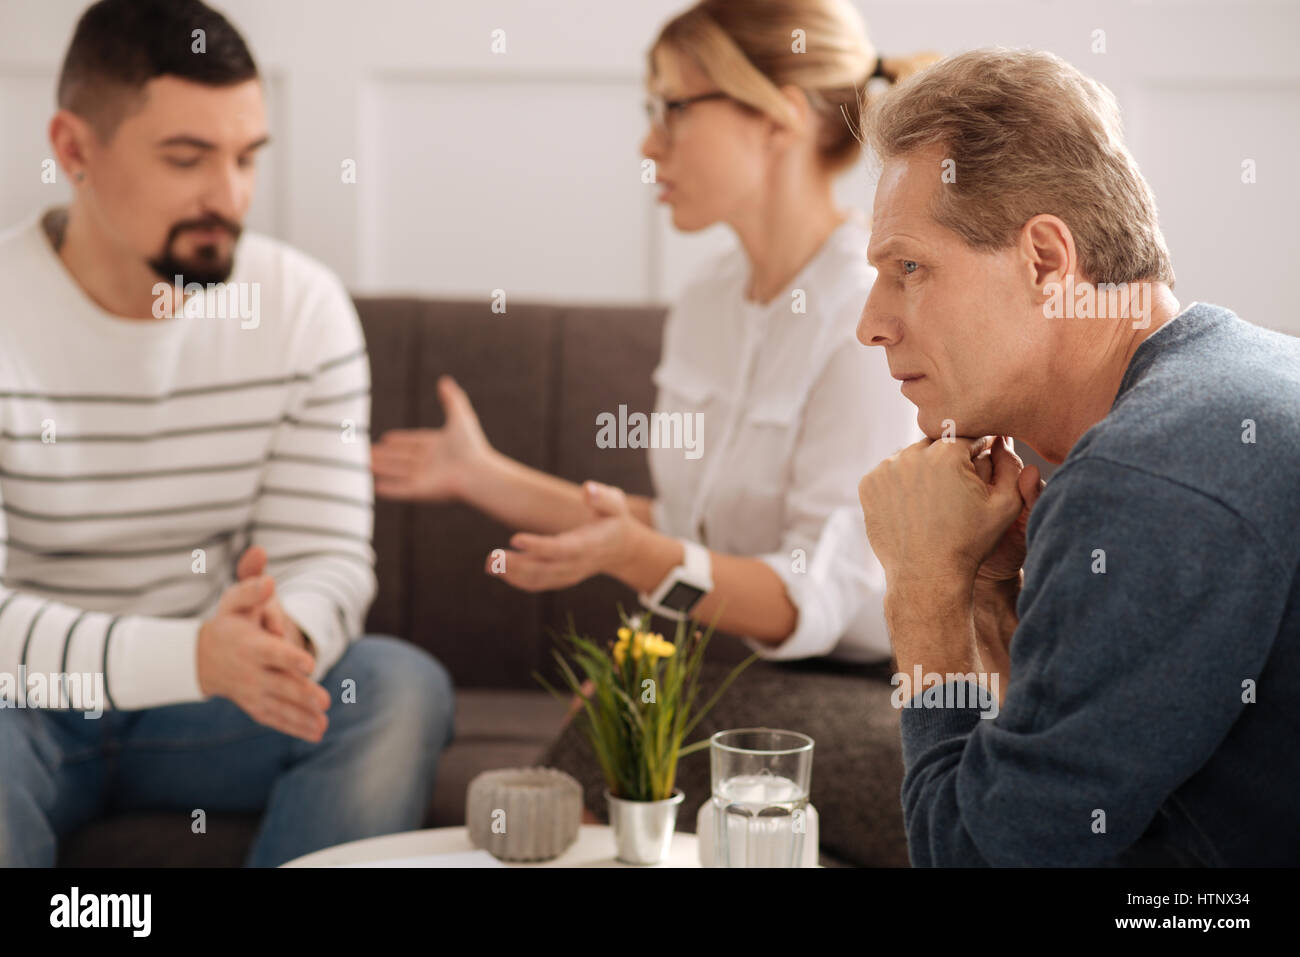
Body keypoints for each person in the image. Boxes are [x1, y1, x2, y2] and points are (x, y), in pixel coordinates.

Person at [371, 0, 932, 865]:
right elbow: (694, 530)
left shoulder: (866, 314)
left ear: (778, 117)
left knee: (603, 754)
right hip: (744, 675)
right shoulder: (709, 303)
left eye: (674, 108)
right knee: (610, 738)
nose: (648, 144)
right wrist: (486, 476)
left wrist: (637, 582)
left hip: (870, 698)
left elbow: (802, 596)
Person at [0, 0, 454, 868]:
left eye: (247, 158)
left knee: (395, 688)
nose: (230, 197)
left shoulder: (300, 310)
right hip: (22, 702)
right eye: (187, 158)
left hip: (211, 704)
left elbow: (329, 560)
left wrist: (285, 636)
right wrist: (190, 654)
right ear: (74, 148)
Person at [855, 48, 1300, 866]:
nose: (872, 323)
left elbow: (978, 862)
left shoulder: (1144, 480)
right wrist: (982, 595)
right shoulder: (1234, 385)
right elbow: (1045, 805)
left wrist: (921, 591)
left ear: (1047, 262)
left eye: (908, 268)